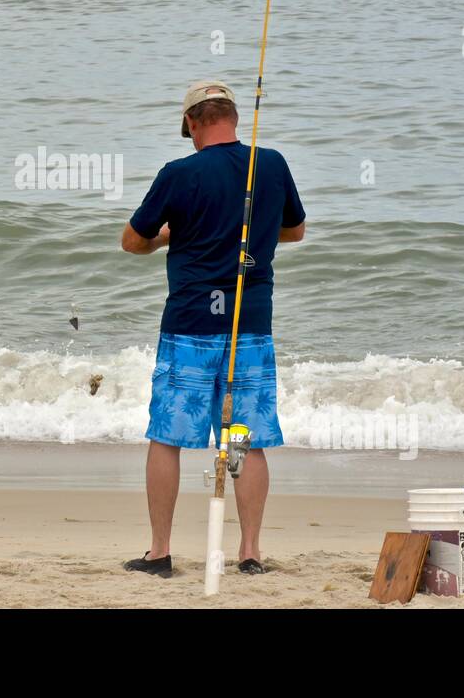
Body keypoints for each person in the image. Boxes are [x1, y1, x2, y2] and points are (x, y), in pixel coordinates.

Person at [120, 80, 305, 577]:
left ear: (191, 123)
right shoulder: (270, 163)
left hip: (190, 324)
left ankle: (159, 553)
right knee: (245, 435)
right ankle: (250, 552)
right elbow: (296, 230)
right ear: (234, 118)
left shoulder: (178, 173)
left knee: (168, 436)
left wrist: (169, 237)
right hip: (250, 323)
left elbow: (132, 241)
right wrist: (254, 232)